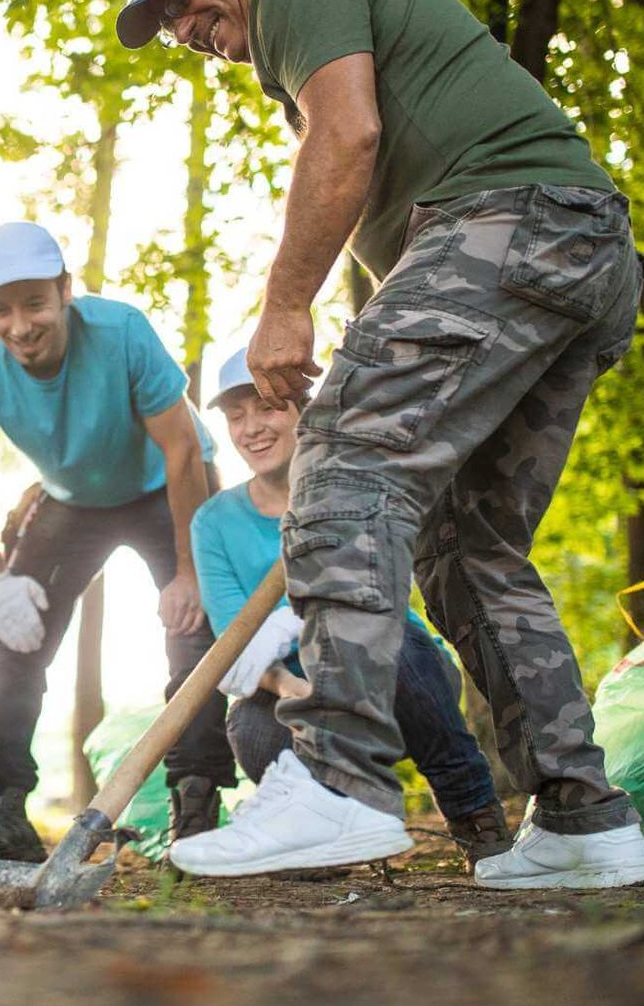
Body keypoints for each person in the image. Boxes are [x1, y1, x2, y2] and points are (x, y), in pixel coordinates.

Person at [119, 0, 644, 888]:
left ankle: (337, 779)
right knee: (467, 547)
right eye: (164, 25)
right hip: (572, 253)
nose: (182, 29)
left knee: (342, 464)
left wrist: (286, 307)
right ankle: (584, 818)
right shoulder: (318, 43)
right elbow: (394, 205)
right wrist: (400, 350)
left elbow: (349, 132)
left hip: (515, 222)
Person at [0, 221, 229, 877]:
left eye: (35, 303)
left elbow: (182, 447)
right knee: (13, 633)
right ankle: (2, 805)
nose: (19, 325)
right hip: (73, 497)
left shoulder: (121, 332)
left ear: (65, 291)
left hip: (166, 484)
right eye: (0, 309)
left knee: (193, 626)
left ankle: (196, 801)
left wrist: (187, 572)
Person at [171, 347, 510, 875]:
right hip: (290, 684)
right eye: (236, 416)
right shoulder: (213, 523)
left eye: (266, 408)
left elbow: (373, 603)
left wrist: (283, 631)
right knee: (254, 730)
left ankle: (474, 815)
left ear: (306, 411)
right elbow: (235, 648)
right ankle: (317, 833)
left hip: (388, 667)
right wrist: (291, 687)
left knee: (401, 654)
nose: (250, 428)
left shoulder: (352, 491)